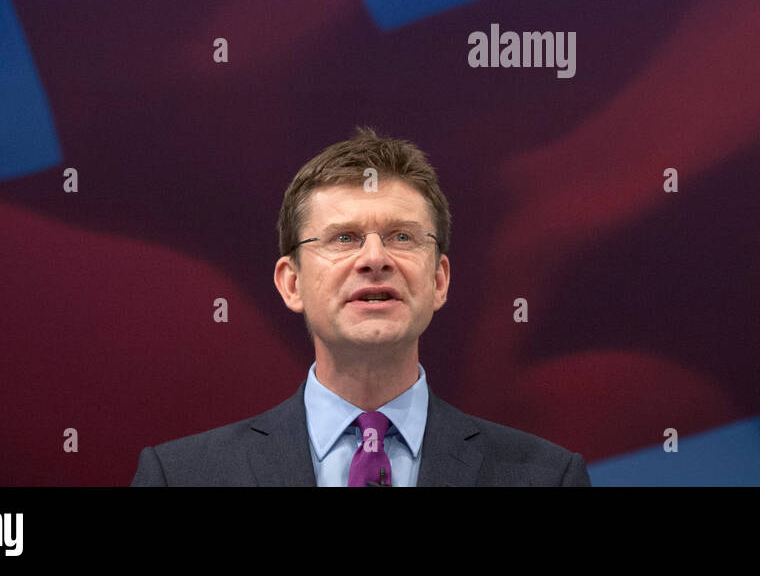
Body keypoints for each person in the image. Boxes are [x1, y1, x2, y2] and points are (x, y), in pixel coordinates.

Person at [131, 126, 590, 486]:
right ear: (292, 284)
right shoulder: (182, 476)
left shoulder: (545, 477)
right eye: (344, 238)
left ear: (438, 280)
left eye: (402, 237)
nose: (374, 259)